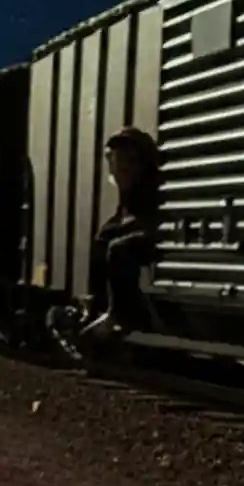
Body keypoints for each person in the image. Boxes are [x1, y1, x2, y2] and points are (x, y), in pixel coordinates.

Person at [77, 125, 162, 339]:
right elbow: (122, 217)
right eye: (117, 160)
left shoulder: (150, 186)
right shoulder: (129, 188)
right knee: (103, 240)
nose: (119, 167)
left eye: (126, 161)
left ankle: (119, 315)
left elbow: (148, 218)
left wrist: (121, 228)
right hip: (143, 229)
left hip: (158, 235)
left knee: (119, 249)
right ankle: (96, 305)